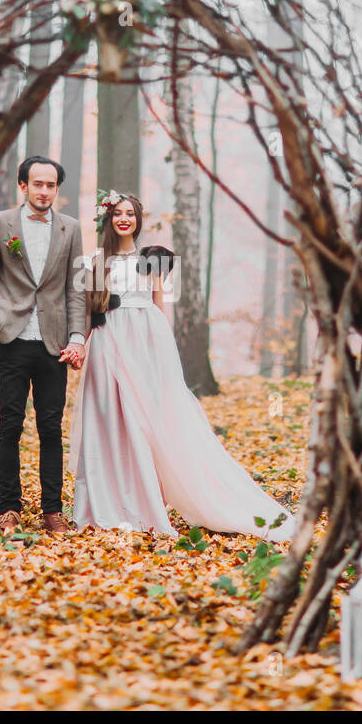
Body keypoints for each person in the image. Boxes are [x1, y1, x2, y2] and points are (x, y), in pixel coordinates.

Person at [69, 190, 297, 541]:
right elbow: (86, 313)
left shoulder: (153, 259)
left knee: (142, 420)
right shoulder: (94, 263)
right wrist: (80, 345)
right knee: (106, 420)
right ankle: (103, 499)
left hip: (143, 343)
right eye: (117, 214)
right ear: (108, 220)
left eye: (130, 213)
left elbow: (161, 308)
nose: (124, 219)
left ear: (138, 219)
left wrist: (161, 357)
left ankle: (145, 498)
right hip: (105, 343)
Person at [0, 156, 86, 534]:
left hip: (54, 345)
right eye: (37, 184)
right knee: (10, 425)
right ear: (23, 186)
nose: (44, 191)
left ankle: (52, 511)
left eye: (51, 185)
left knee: (51, 428)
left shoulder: (71, 229)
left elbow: (75, 288)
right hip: (12, 339)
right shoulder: (0, 223)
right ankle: (10, 508)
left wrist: (77, 337)